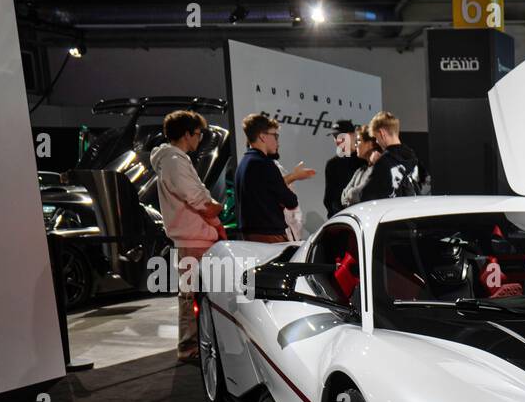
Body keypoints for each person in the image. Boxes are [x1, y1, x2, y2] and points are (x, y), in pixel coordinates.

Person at [151, 109, 224, 362]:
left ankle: (194, 345)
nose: (200, 138)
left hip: (193, 238)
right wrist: (216, 210)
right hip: (193, 239)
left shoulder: (173, 160)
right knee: (193, 295)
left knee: (192, 293)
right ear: (186, 134)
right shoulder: (174, 161)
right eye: (198, 133)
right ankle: (190, 347)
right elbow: (198, 199)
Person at [234, 112, 315, 243]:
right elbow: (291, 201)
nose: (277, 141)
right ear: (262, 136)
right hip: (269, 236)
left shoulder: (243, 164)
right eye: (275, 136)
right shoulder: (264, 164)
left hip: (250, 236)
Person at [358, 110, 424, 201]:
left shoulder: (383, 162)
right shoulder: (414, 158)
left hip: (392, 213)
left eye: (376, 138)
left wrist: (373, 166)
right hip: (414, 212)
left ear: (382, 133)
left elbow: (365, 196)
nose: (377, 142)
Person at [323, 119, 365, 217]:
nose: (337, 140)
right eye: (334, 136)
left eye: (340, 136)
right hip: (342, 219)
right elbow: (329, 199)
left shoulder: (365, 160)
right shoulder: (332, 164)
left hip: (364, 216)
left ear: (352, 135)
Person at [340, 125, 378, 208]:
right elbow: (343, 198)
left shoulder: (380, 169)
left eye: (359, 141)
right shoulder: (360, 170)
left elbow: (355, 194)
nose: (356, 145)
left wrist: (351, 194)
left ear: (370, 144)